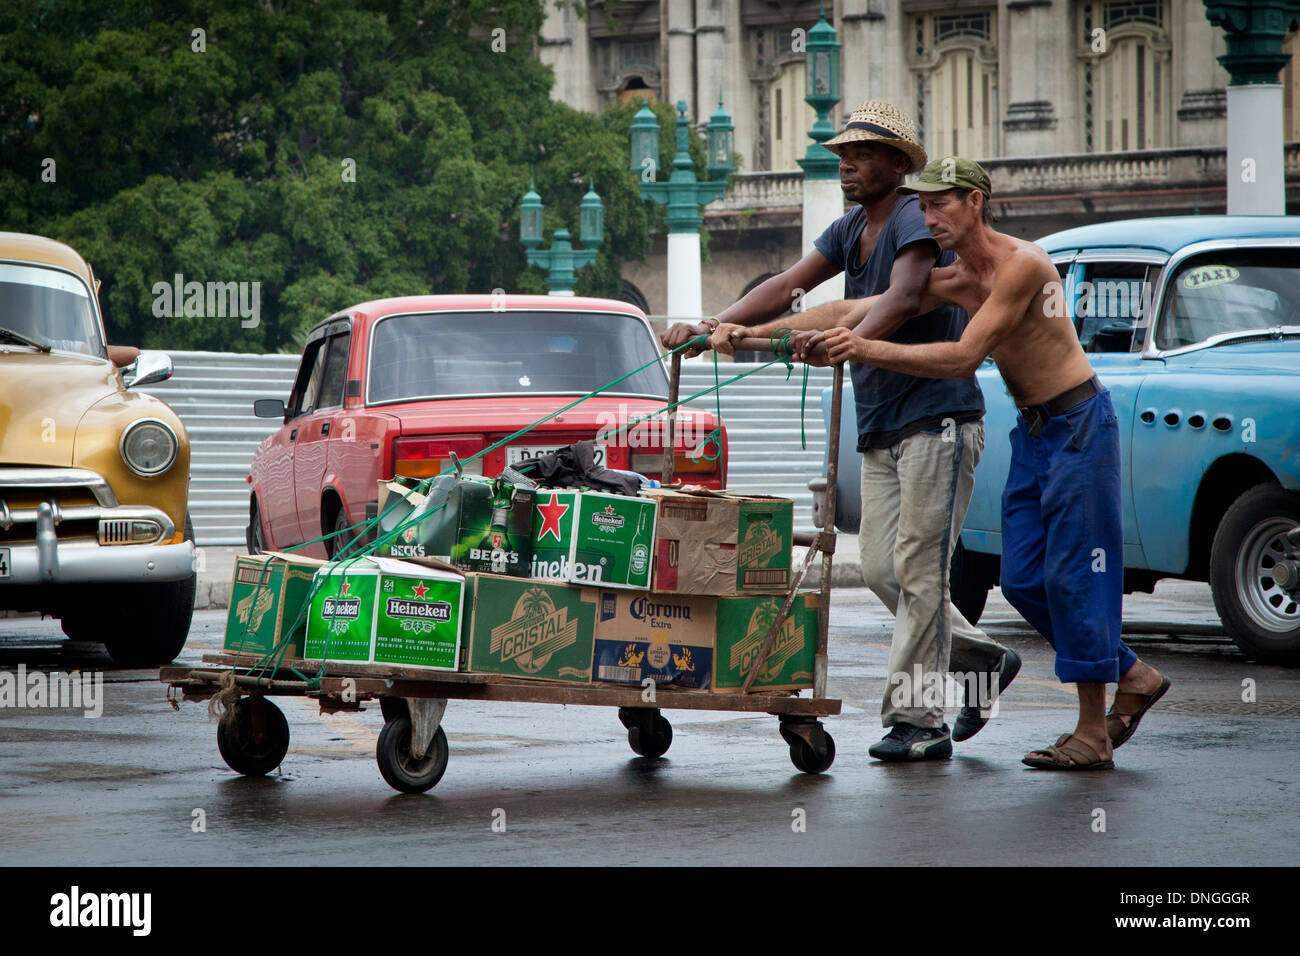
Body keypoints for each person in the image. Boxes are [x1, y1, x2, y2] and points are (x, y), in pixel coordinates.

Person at [782, 156, 1171, 770]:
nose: (927, 217)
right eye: (924, 205)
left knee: (1076, 577)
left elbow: (963, 357)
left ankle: (1093, 732)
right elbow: (850, 310)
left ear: (975, 203)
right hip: (1036, 431)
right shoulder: (960, 276)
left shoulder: (1024, 266)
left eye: (939, 205)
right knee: (1020, 579)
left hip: (1079, 427)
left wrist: (861, 348)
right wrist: (738, 331)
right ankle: (1132, 674)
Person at [663, 102, 1017, 762]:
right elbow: (790, 286)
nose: (846, 165)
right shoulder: (851, 224)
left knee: (917, 571)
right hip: (883, 424)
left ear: (898, 164)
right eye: (841, 157)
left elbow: (905, 297)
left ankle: (920, 720)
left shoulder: (914, 217)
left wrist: (847, 338)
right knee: (885, 570)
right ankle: (983, 660)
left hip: (937, 421)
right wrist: (717, 325)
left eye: (861, 155)